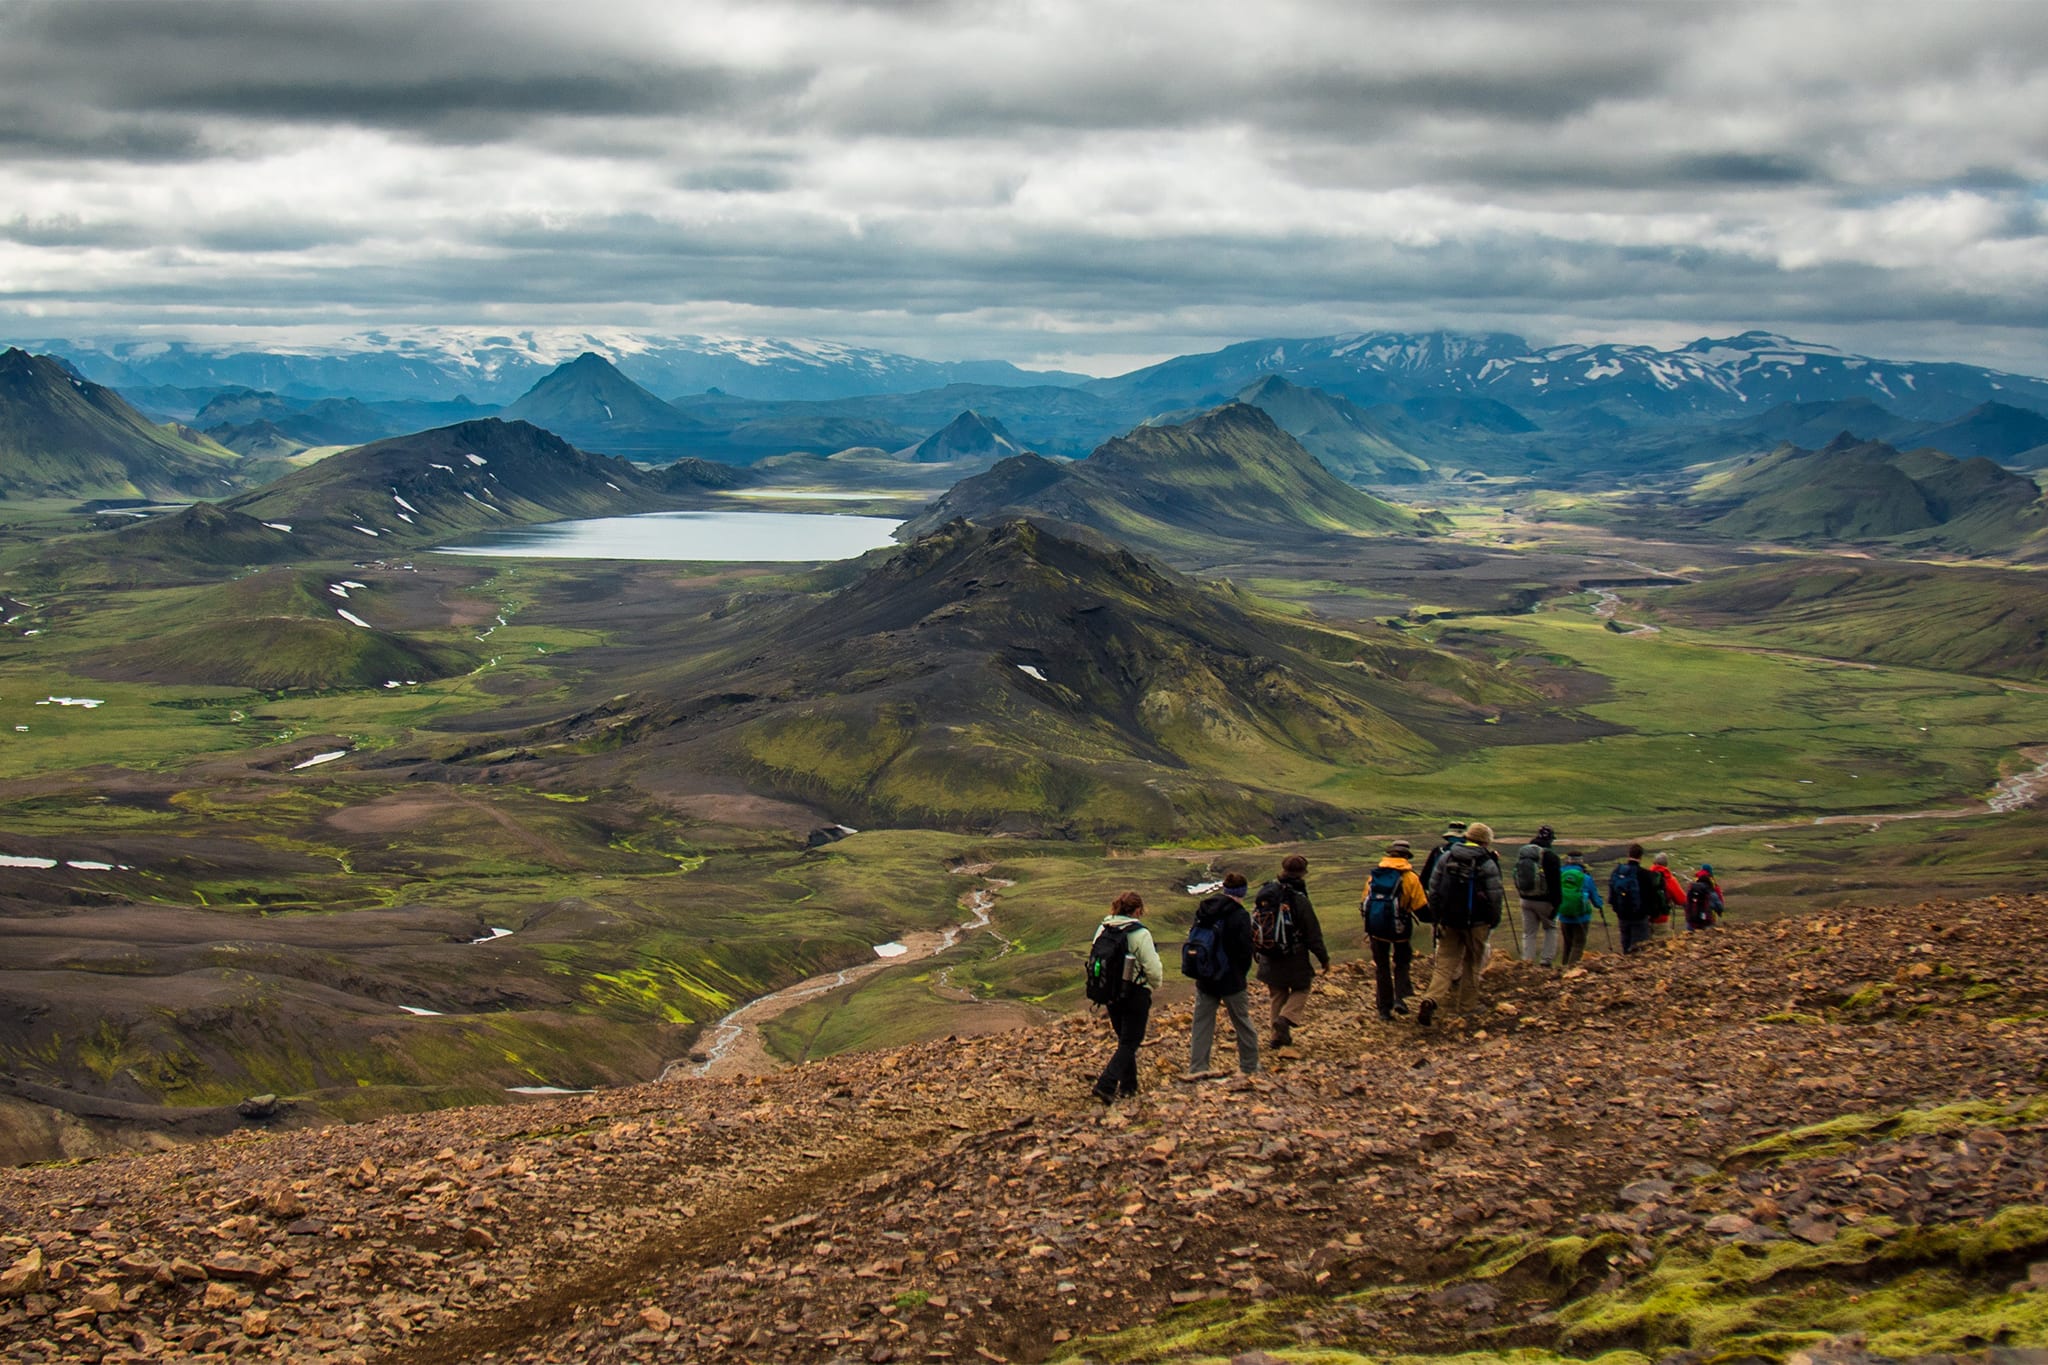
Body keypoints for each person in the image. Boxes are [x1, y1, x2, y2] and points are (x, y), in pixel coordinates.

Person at [1417, 822, 1504, 1026]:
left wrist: (1437, 917)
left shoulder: (1448, 856)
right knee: (1471, 964)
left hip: (1448, 920)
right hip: (1477, 922)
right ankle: (1467, 1007)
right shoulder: (1487, 862)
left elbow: (1434, 888)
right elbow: (1495, 895)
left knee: (1444, 965)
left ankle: (1430, 999)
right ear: (1485, 841)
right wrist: (1493, 920)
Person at [1089, 891, 1163, 1104]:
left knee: (1124, 1040)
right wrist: (1154, 985)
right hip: (1135, 993)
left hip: (1110, 993)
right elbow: (1153, 968)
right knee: (1131, 1040)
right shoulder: (1141, 934)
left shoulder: (1103, 928)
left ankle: (1129, 1086)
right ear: (1138, 910)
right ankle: (1106, 1083)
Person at [1253, 854, 1329, 1050]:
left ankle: (1276, 1037)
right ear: (1302, 873)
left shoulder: (1268, 892)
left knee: (1277, 994)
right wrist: (1323, 958)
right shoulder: (1299, 899)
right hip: (1294, 955)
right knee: (1302, 988)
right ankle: (1285, 1019)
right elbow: (1313, 932)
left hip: (1268, 955)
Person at [1186, 873, 1259, 1075]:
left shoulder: (1205, 909)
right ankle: (1250, 1067)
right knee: (1242, 1022)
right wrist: (1239, 973)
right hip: (1231, 979)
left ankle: (1198, 1068)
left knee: (1201, 1023)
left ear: (1225, 889)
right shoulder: (1240, 915)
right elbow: (1245, 950)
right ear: (1242, 892)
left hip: (1205, 976)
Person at [1361, 839, 1428, 1021]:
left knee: (1382, 967)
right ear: (1406, 857)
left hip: (1377, 929)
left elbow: (1365, 902)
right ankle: (1400, 998)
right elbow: (1421, 907)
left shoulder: (1374, 875)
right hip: (1401, 928)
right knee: (1402, 962)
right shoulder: (1410, 877)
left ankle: (1384, 1009)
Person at [1513, 825, 1563, 967]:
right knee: (1550, 928)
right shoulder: (1551, 857)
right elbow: (1555, 883)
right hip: (1544, 901)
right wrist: (1556, 903)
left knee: (1529, 932)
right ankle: (1546, 961)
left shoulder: (1524, 853)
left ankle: (1527, 961)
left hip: (1525, 898)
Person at [1608, 842, 1664, 954]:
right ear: (1641, 857)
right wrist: (1653, 913)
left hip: (1622, 915)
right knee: (1639, 948)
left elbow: (1612, 893)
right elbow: (1651, 896)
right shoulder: (1645, 874)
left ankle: (1625, 963)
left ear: (1628, 854)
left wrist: (1616, 908)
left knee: (1626, 944)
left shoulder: (1618, 872)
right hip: (1639, 917)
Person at [1554, 847, 1603, 968]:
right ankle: (1571, 969)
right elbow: (1595, 900)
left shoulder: (1559, 875)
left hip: (1564, 915)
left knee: (1567, 944)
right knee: (1578, 944)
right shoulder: (1585, 877)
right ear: (1581, 861)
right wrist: (1600, 904)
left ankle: (1563, 967)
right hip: (1581, 917)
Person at [1651, 853, 1688, 940]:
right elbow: (1681, 900)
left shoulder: (1646, 875)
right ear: (1666, 864)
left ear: (1654, 863)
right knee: (1662, 945)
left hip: (1645, 919)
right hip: (1661, 919)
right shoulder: (1669, 879)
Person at [1685, 865, 1726, 930]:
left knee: (1690, 938)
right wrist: (1719, 912)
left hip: (1691, 922)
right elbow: (1719, 905)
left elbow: (1686, 902)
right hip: (1706, 922)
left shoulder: (1692, 887)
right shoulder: (1710, 890)